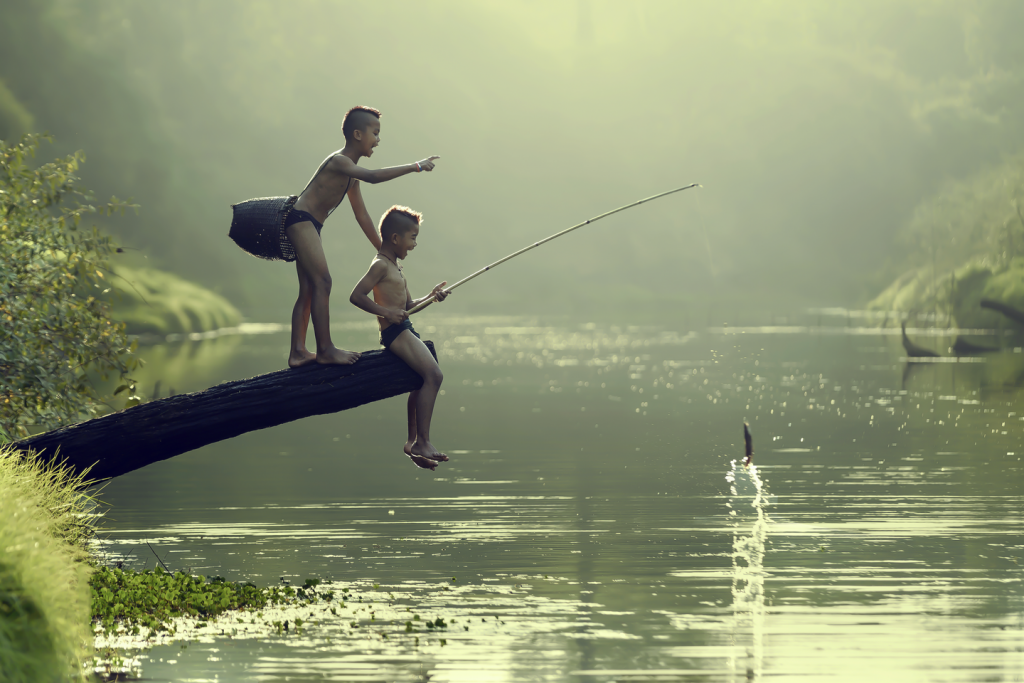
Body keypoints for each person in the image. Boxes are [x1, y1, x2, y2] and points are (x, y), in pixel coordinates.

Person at [285, 105, 439, 367]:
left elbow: (363, 217)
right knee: (323, 282)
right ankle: (325, 349)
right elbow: (373, 176)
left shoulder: (350, 177)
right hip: (301, 220)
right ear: (357, 134)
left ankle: (298, 352)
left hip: (310, 225)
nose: (378, 140)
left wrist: (386, 254)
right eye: (375, 133)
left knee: (310, 287)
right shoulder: (340, 162)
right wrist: (415, 166)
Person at [349, 206, 450, 470]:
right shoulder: (380, 265)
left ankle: (412, 442)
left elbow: (408, 305)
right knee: (434, 376)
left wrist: (432, 297)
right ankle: (423, 441)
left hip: (405, 327)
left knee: (419, 379)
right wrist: (385, 313)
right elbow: (356, 295)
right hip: (395, 332)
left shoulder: (394, 266)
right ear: (395, 239)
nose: (415, 243)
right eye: (413, 237)